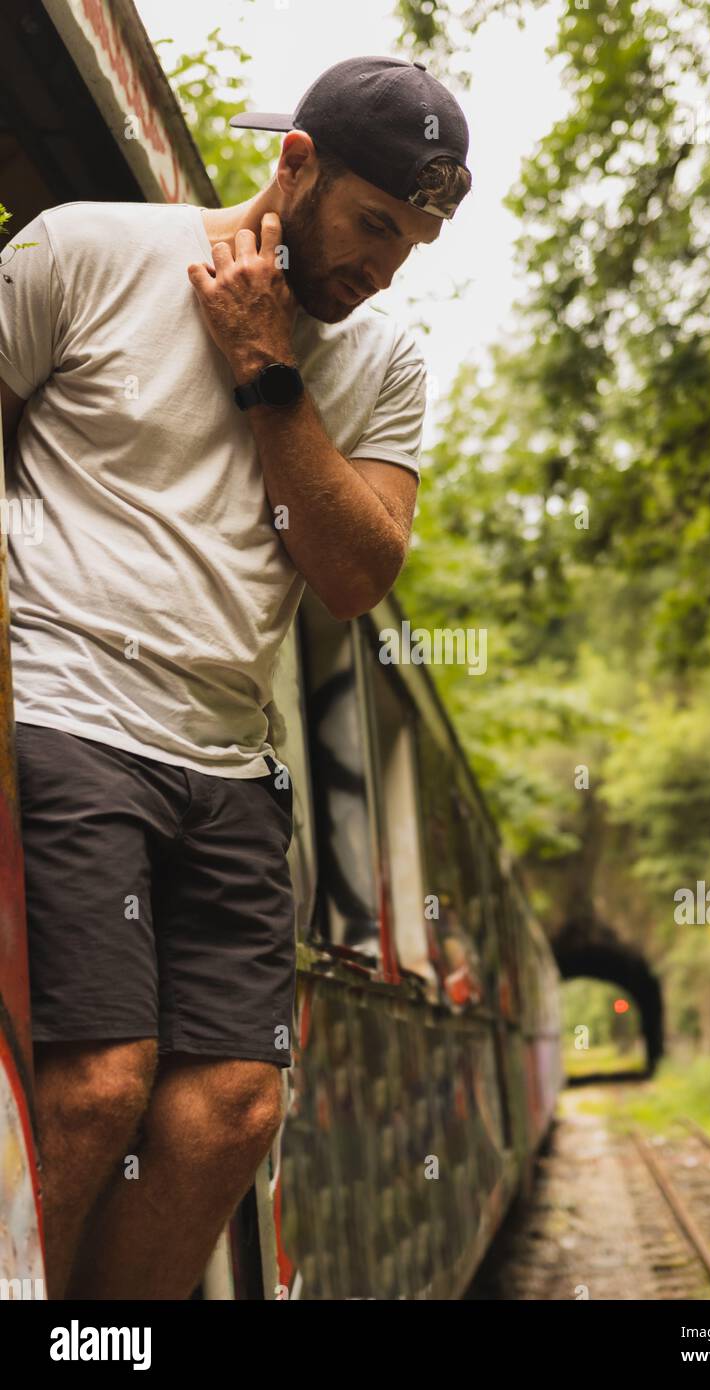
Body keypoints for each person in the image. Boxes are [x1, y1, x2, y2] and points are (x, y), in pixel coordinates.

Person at [0, 54, 471, 1300]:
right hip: (61, 713)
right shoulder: (85, 252)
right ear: (296, 164)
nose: (383, 265)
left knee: (231, 1112)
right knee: (99, 1082)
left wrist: (270, 374)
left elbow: (357, 573)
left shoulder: (383, 363)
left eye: (410, 241)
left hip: (225, 765)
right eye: (374, 223)